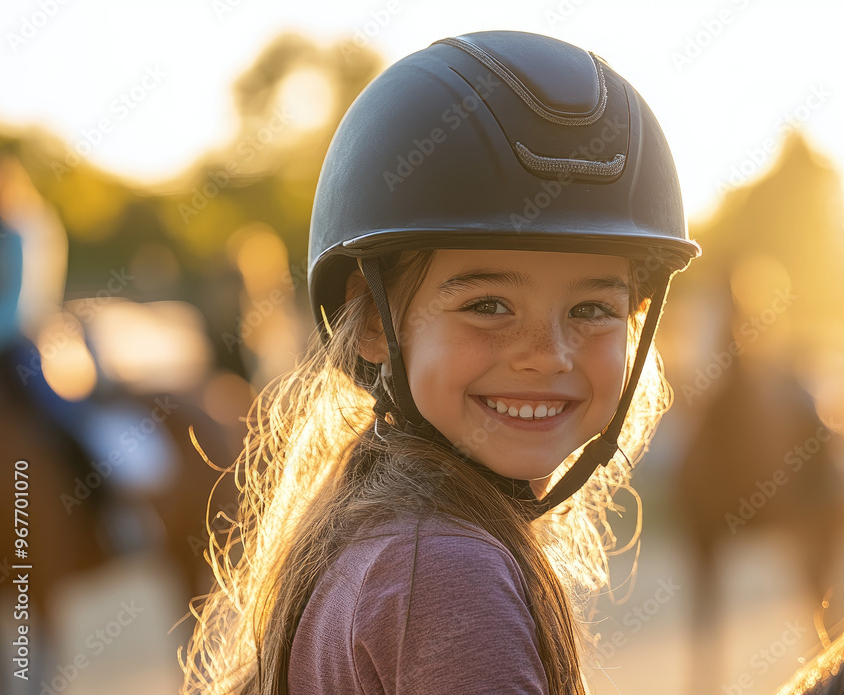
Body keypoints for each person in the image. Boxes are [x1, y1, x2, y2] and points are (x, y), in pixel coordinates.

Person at [179, 30, 700, 695]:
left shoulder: (384, 532)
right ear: (372, 321)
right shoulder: (445, 569)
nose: (548, 355)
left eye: (593, 308)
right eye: (488, 303)